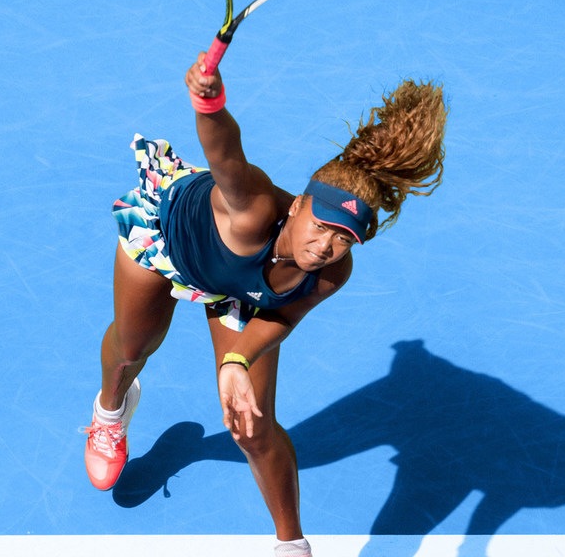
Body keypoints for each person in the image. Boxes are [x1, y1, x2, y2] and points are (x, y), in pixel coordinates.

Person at [85, 52, 448, 556]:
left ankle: (291, 545)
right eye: (320, 225)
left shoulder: (330, 272)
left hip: (239, 293)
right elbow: (225, 153)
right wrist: (208, 102)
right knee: (133, 346)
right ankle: (110, 411)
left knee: (252, 427)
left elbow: (282, 315)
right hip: (171, 241)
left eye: (343, 239)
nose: (325, 246)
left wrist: (236, 359)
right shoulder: (252, 208)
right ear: (297, 205)